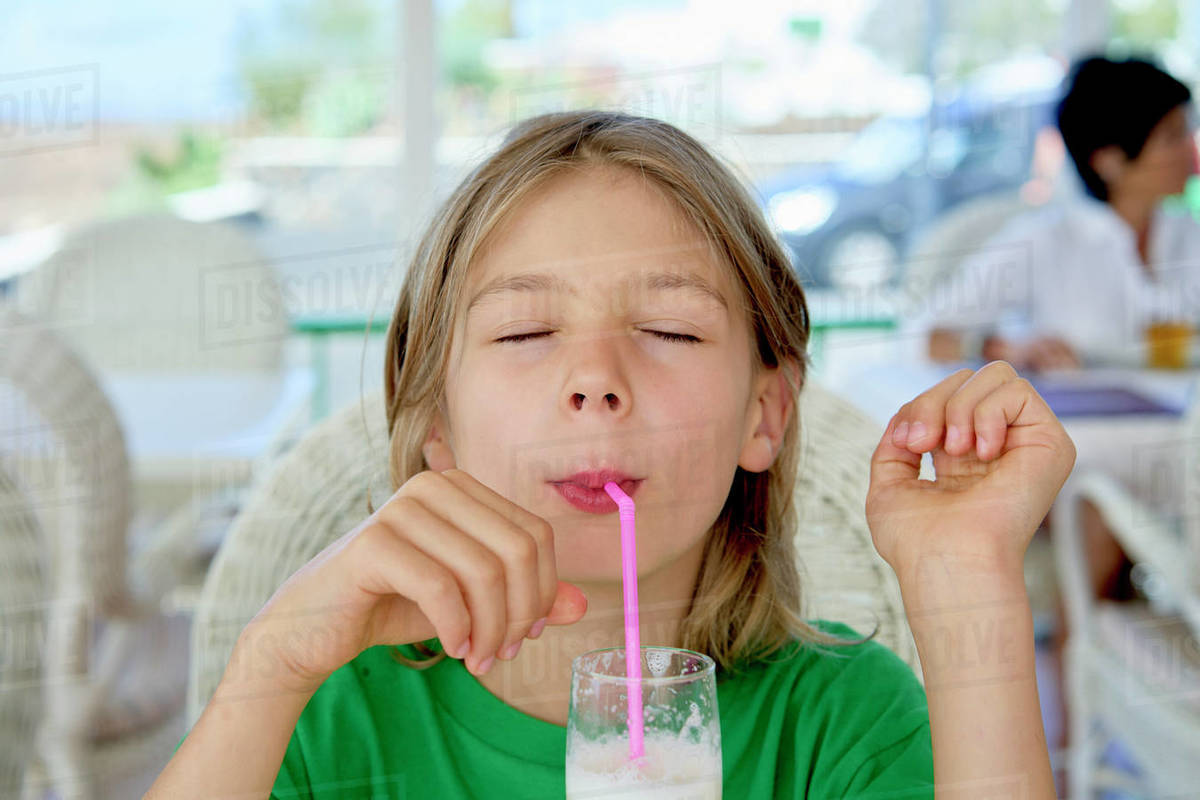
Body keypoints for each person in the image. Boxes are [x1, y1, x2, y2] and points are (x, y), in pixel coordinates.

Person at [148, 111, 1074, 798]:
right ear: (438, 427)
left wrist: (965, 577)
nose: (595, 380)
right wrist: (270, 662)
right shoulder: (328, 722)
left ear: (765, 413)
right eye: (524, 333)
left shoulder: (838, 725)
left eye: (668, 329)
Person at [921, 55, 1199, 373]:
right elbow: (928, 334)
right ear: (1108, 159)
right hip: (1082, 420)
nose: (1190, 149)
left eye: (1189, 131)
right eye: (1172, 137)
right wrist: (1006, 350)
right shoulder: (1045, 239)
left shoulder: (1189, 233)